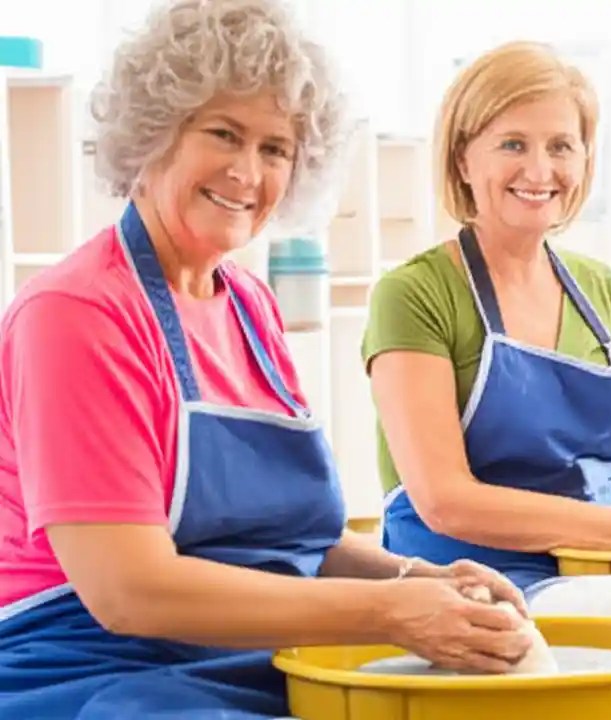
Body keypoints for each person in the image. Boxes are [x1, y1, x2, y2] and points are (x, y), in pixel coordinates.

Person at [0, 2, 536, 718]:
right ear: (155, 130)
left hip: (258, 650)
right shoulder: (77, 314)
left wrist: (422, 577)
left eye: (276, 148)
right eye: (223, 133)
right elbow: (129, 592)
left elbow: (301, 544)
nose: (247, 172)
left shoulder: (250, 306)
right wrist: (389, 612)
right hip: (93, 668)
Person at [363, 41, 611, 621]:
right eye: (512, 144)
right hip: (477, 590)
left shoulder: (598, 289)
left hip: (605, 569)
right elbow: (446, 501)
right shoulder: (414, 295)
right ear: (462, 161)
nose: (539, 170)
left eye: (561, 146)